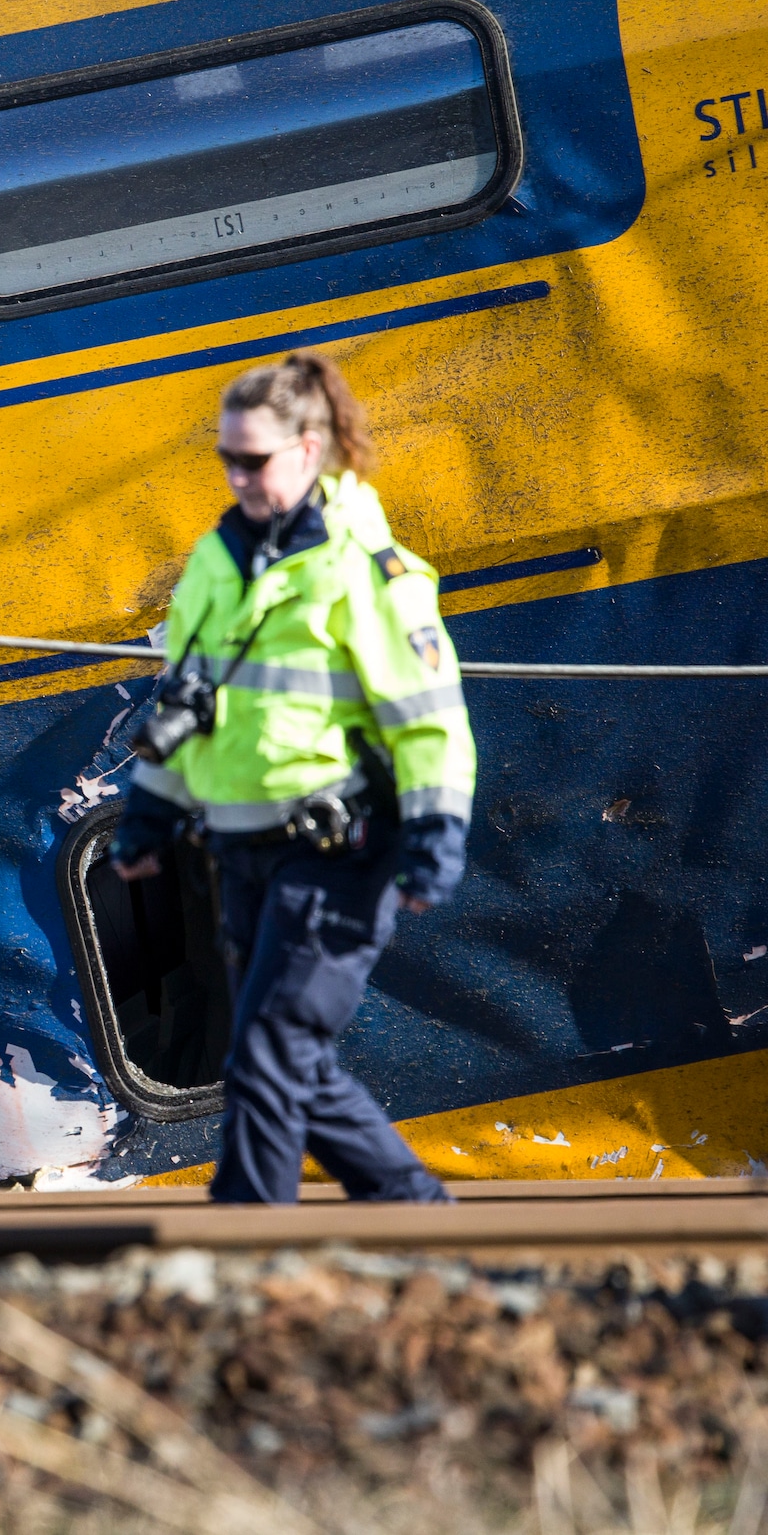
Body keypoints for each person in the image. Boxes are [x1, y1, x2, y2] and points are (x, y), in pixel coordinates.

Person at [110, 351, 472, 1204]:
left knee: (268, 1054)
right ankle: (418, 1213)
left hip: (338, 850)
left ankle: (248, 1231)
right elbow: (192, 705)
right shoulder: (216, 563)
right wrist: (149, 818)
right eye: (226, 459)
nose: (237, 477)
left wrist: (436, 837)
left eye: (254, 459)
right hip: (240, 856)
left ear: (309, 450)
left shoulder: (364, 568)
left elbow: (427, 718)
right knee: (288, 1063)